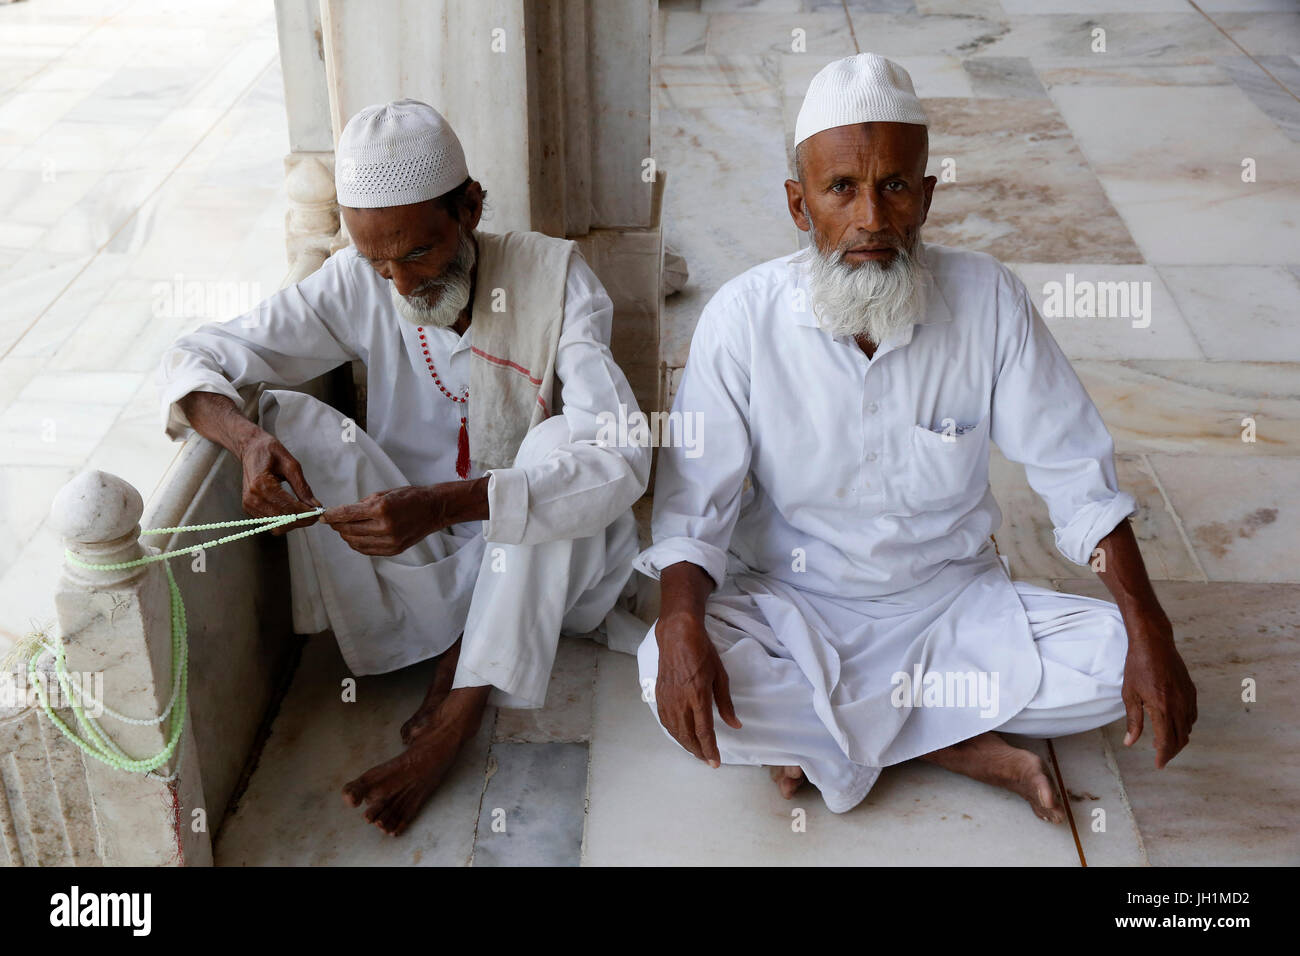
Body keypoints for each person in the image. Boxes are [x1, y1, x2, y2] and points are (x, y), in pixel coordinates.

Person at [634, 54, 1196, 821]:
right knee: (657, 669)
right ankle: (951, 743)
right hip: (793, 607)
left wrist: (1151, 627)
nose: (871, 217)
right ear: (799, 207)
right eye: (841, 189)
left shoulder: (989, 300)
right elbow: (693, 512)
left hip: (952, 607)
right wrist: (679, 625)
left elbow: (1077, 479)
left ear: (926, 196)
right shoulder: (742, 319)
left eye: (894, 185)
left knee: (1109, 662)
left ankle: (834, 743)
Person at [157, 99, 650, 835]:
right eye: (375, 259)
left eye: (418, 253)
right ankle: (447, 637)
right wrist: (243, 439)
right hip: (416, 554)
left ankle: (461, 706)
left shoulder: (555, 281)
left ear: (470, 208)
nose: (399, 284)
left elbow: (621, 453)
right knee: (286, 417)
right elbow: (198, 354)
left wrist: (451, 504)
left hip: (542, 562)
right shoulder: (360, 282)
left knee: (555, 453)